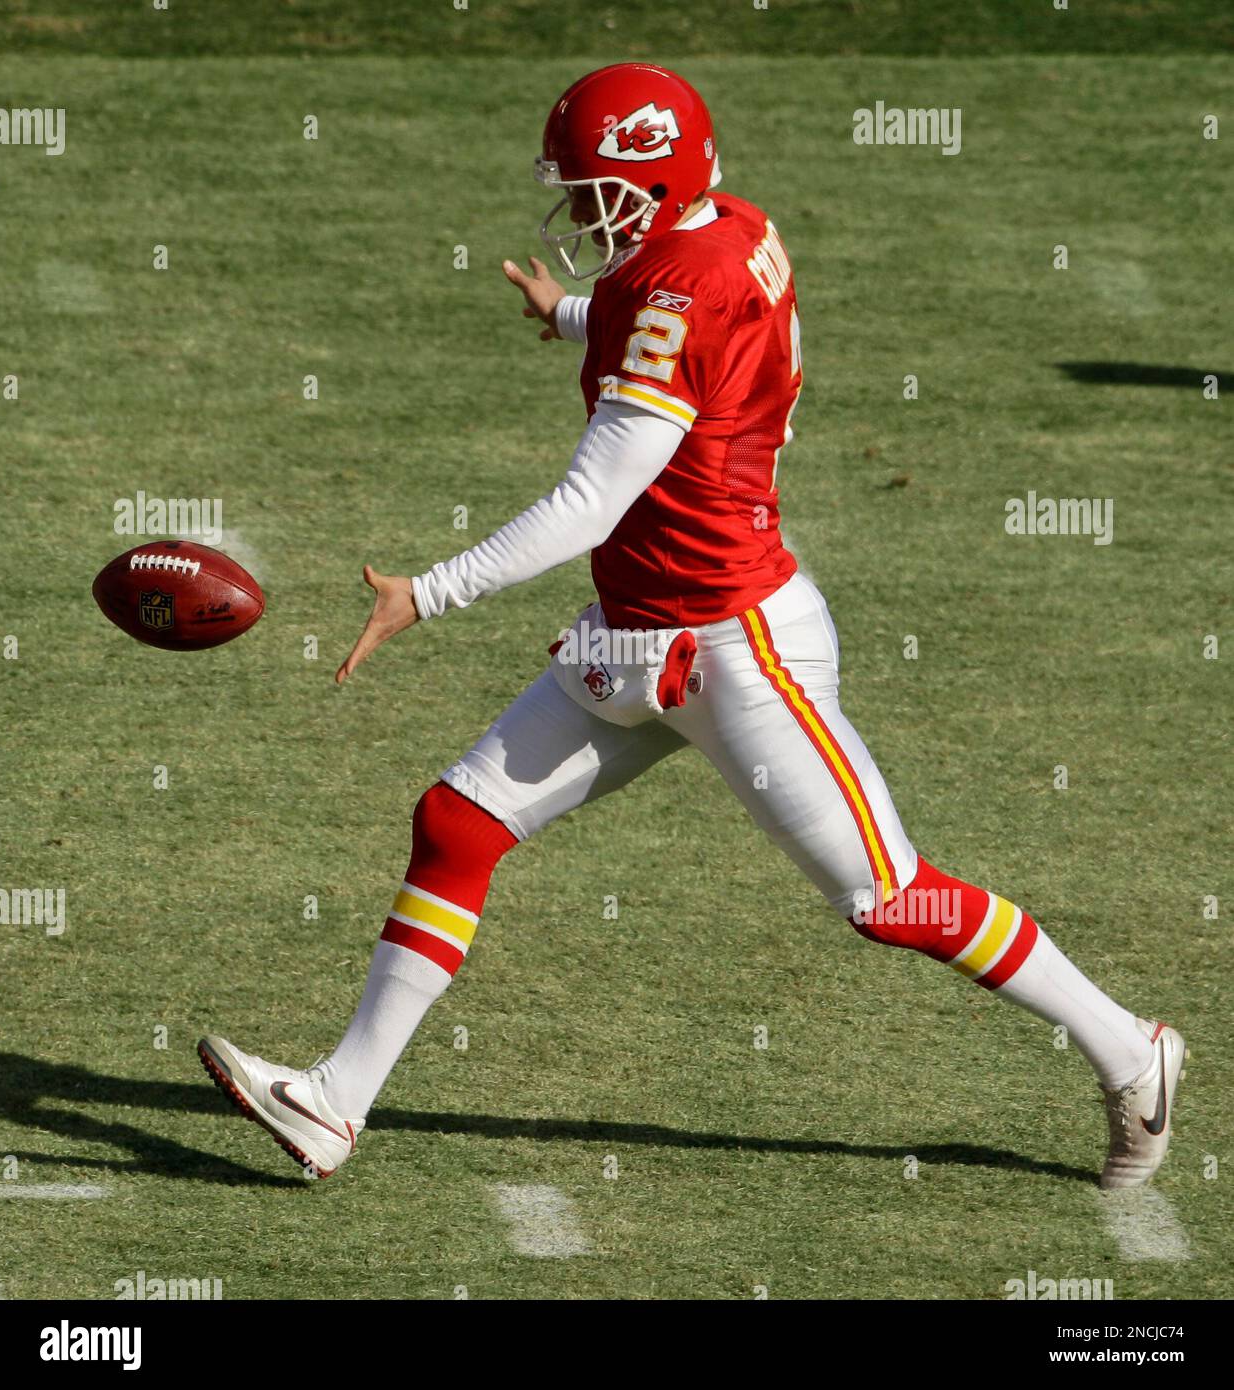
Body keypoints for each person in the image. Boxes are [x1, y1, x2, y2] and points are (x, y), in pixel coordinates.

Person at [198, 63, 1184, 1189]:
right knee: (456, 824)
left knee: (886, 897)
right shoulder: (725, 228)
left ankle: (1128, 1050)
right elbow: (681, 323)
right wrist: (569, 313)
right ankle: (332, 1105)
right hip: (633, 637)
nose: (578, 214)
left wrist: (425, 591)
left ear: (654, 185)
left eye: (596, 193)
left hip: (733, 647)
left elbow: (591, 501)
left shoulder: (676, 291)